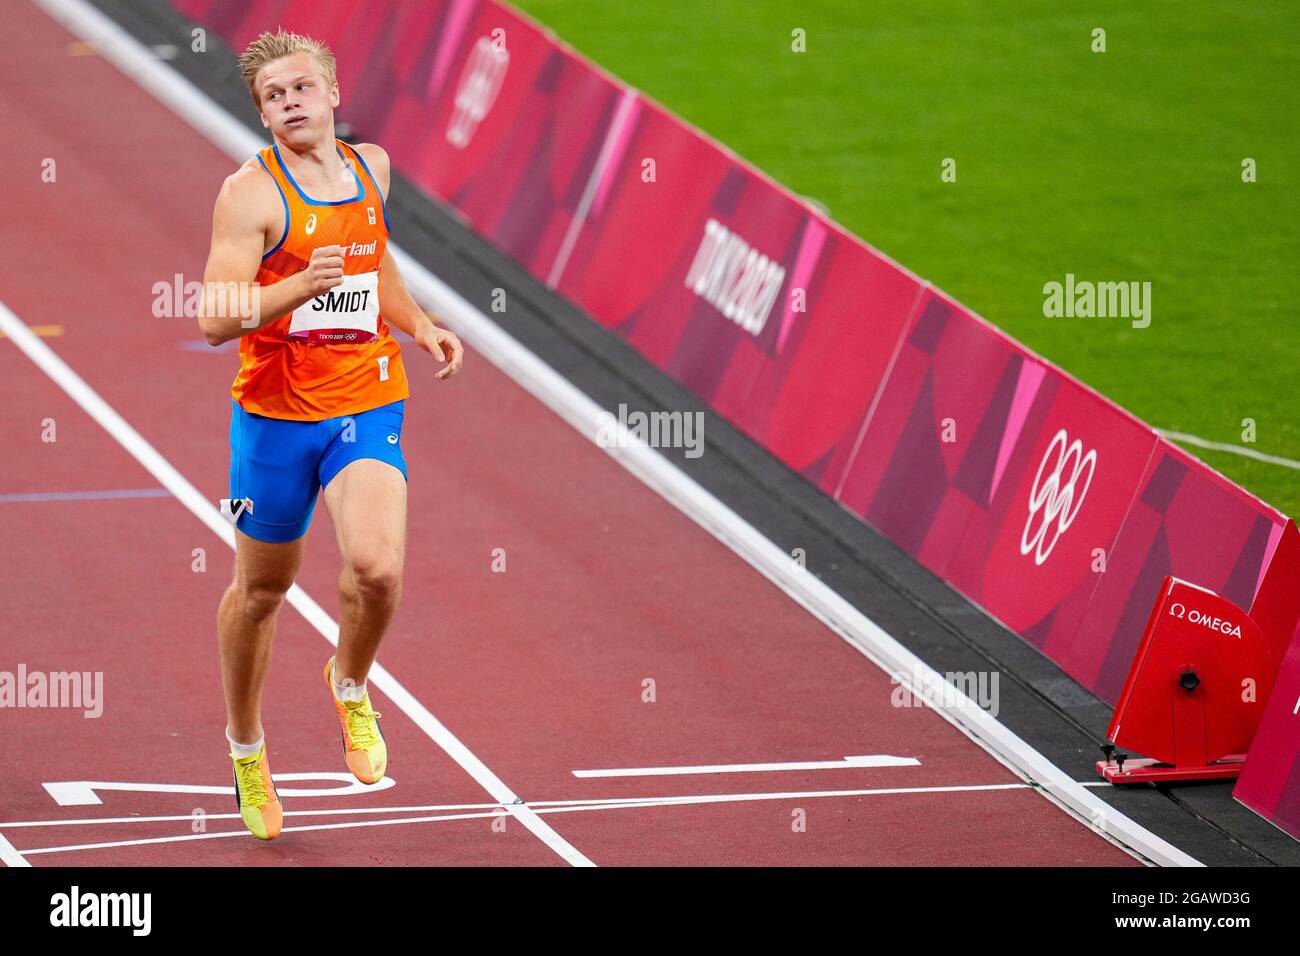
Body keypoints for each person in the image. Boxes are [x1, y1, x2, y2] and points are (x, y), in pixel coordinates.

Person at [198, 28, 463, 840]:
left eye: (302, 88)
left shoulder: (370, 167)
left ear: (333, 94)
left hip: (365, 395)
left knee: (378, 570)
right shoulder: (250, 195)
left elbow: (372, 260)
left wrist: (417, 323)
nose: (291, 103)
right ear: (263, 114)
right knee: (263, 592)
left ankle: (350, 685)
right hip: (275, 416)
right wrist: (292, 290)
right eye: (274, 96)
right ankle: (248, 750)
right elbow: (213, 317)